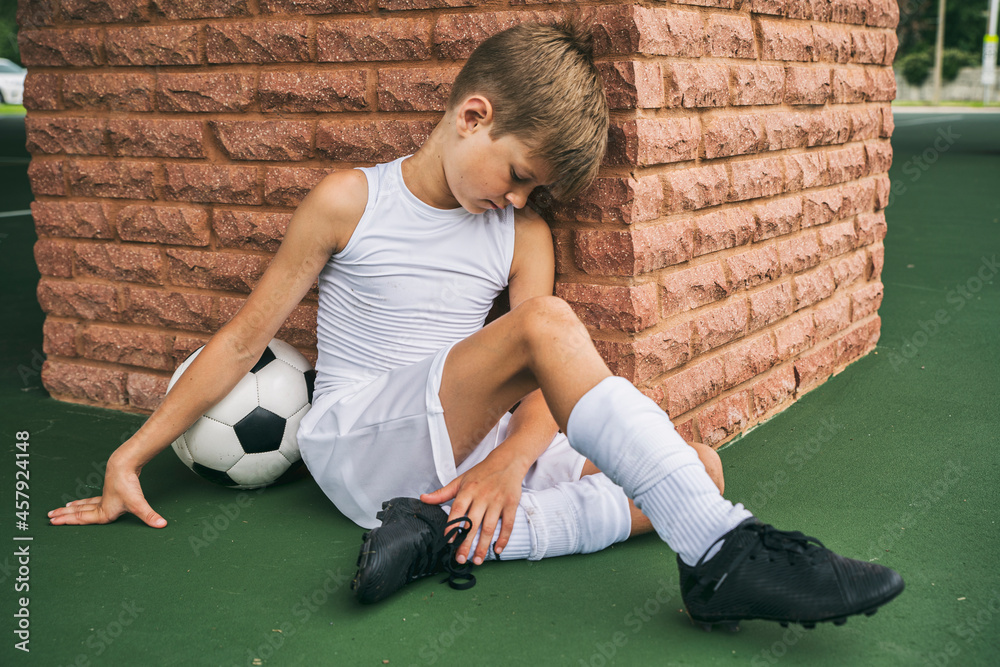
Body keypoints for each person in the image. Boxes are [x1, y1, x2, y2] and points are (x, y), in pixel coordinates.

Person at [48, 20, 903, 630]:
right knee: (552, 330)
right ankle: (722, 557)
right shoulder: (351, 200)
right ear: (473, 116)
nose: (520, 200)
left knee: (699, 467)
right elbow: (240, 339)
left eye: (533, 194)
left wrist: (506, 460)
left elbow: (543, 385)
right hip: (361, 436)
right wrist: (130, 454)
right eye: (519, 174)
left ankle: (435, 535)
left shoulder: (519, 232)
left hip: (461, 439)